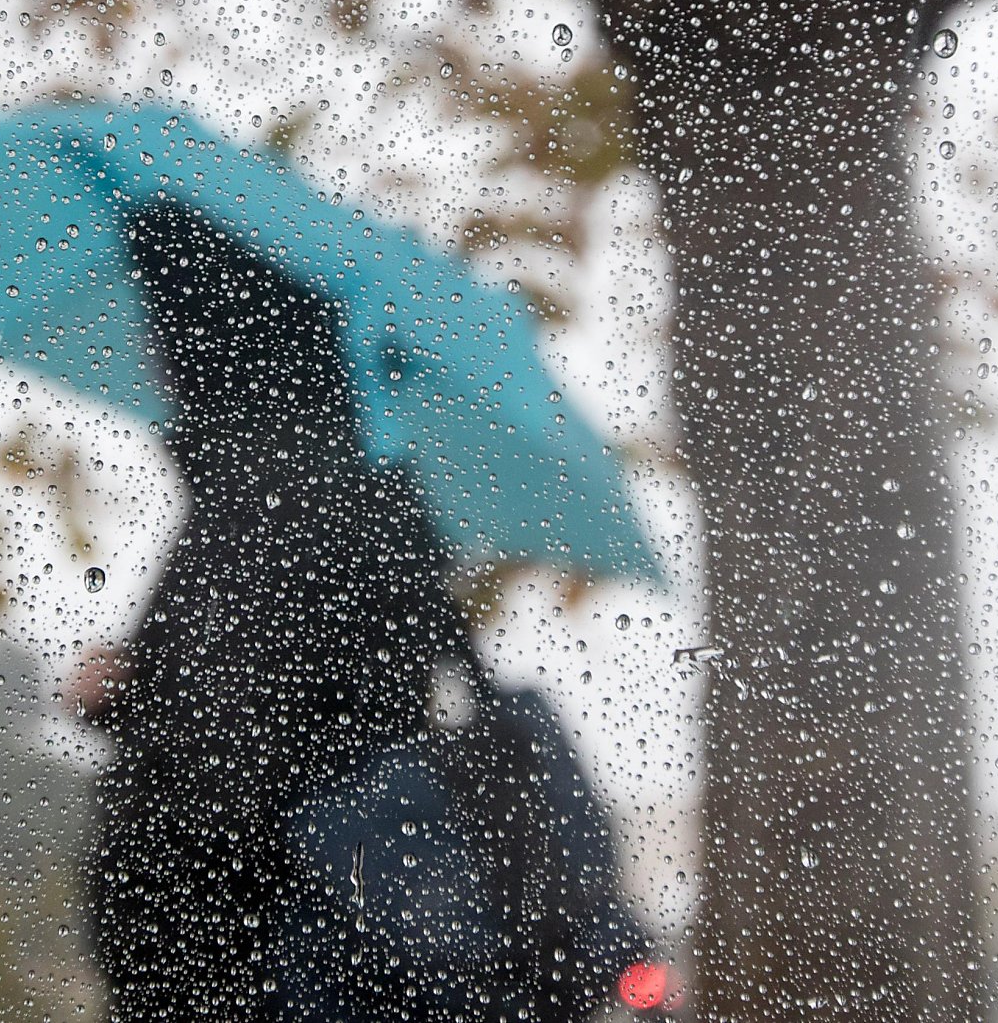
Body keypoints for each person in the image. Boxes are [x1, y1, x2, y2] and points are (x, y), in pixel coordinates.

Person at [79, 201, 671, 1021]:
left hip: (276, 945)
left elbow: (236, 752)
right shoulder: (338, 490)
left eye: (169, 315)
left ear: (214, 335)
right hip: (308, 929)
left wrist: (128, 703)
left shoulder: (261, 500)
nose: (151, 348)